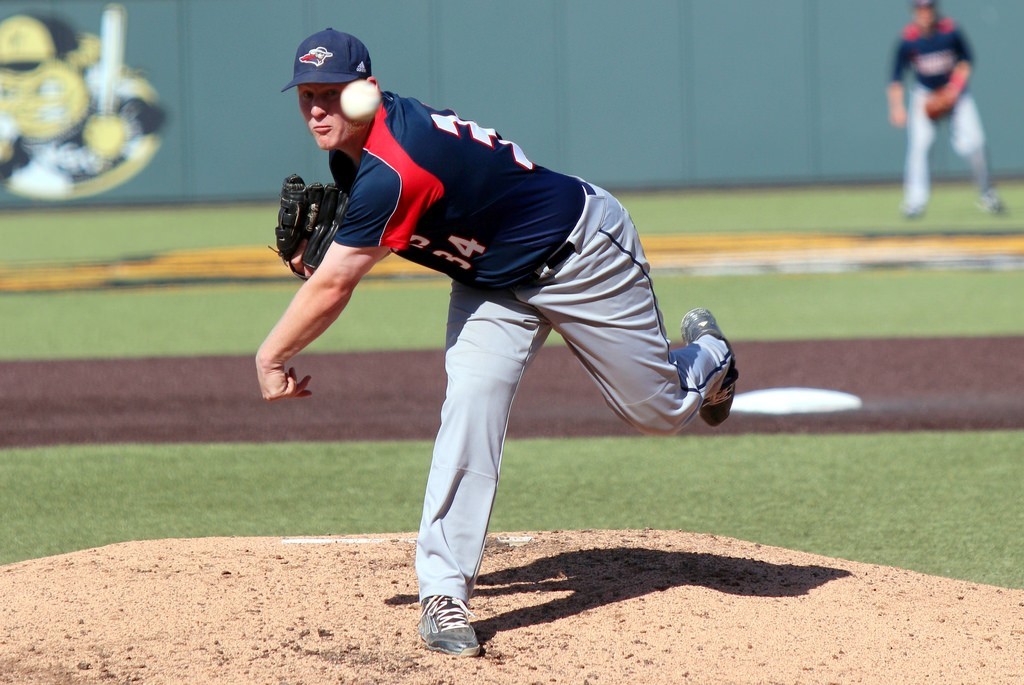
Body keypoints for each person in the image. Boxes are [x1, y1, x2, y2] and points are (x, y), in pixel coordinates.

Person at [256, 28, 739, 658]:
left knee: (656, 412)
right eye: (306, 95)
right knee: (471, 400)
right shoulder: (357, 146)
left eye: (331, 93)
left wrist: (271, 355)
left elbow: (336, 285)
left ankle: (709, 358)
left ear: (366, 90)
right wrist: (321, 261)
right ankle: (443, 591)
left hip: (580, 254)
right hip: (492, 284)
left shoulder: (395, 163)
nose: (317, 108)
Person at [887, 0, 1004, 219]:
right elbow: (896, 78)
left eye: (928, 7)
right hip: (926, 94)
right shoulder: (908, 39)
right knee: (920, 146)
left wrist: (954, 89)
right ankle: (914, 201)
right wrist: (897, 107)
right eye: (920, 8)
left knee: (975, 143)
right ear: (914, 12)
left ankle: (987, 194)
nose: (925, 13)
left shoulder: (950, 31)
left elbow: (967, 61)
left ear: (935, 9)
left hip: (956, 93)